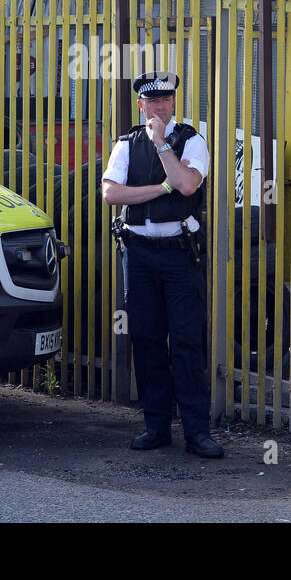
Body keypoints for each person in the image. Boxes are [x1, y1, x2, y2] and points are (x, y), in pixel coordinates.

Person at [101, 70, 224, 459]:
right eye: (152, 102)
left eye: (165, 101)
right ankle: (156, 426)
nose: (159, 108)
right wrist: (158, 189)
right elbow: (111, 193)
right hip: (137, 254)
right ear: (141, 105)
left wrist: (161, 146)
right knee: (147, 340)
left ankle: (196, 432)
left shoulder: (192, 140)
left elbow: (187, 184)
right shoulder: (125, 144)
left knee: (187, 342)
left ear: (173, 103)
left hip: (179, 254)